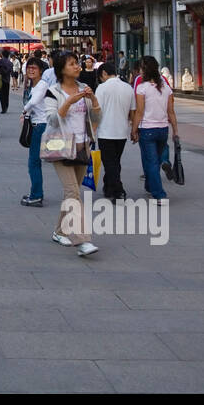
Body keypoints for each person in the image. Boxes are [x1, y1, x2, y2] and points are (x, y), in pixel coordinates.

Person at [46, 50, 100, 256]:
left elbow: (96, 120)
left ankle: (59, 231)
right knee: (73, 193)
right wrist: (68, 102)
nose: (77, 66)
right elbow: (51, 120)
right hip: (60, 146)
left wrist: (93, 99)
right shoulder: (53, 92)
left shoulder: (84, 89)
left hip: (82, 145)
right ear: (61, 69)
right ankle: (82, 240)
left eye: (77, 63)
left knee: (73, 193)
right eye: (71, 64)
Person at [132, 55, 176, 201]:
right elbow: (171, 111)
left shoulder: (141, 88)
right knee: (155, 160)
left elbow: (139, 112)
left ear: (144, 70)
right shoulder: (166, 88)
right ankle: (150, 186)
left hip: (147, 130)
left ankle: (160, 195)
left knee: (151, 162)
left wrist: (134, 130)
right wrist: (176, 131)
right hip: (163, 130)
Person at [95, 62, 134, 201]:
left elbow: (96, 111)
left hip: (106, 131)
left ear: (104, 73)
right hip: (122, 131)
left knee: (110, 162)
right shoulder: (128, 87)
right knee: (114, 161)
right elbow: (132, 111)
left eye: (101, 76)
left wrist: (92, 129)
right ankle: (109, 187)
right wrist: (133, 129)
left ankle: (119, 190)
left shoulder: (101, 88)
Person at [19, 62, 51, 207]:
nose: (31, 70)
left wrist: (24, 110)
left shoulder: (42, 84)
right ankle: (36, 192)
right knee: (34, 161)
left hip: (41, 126)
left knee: (34, 162)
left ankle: (36, 195)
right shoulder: (34, 85)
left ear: (41, 71)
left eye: (34, 68)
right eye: (29, 68)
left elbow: (35, 101)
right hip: (37, 124)